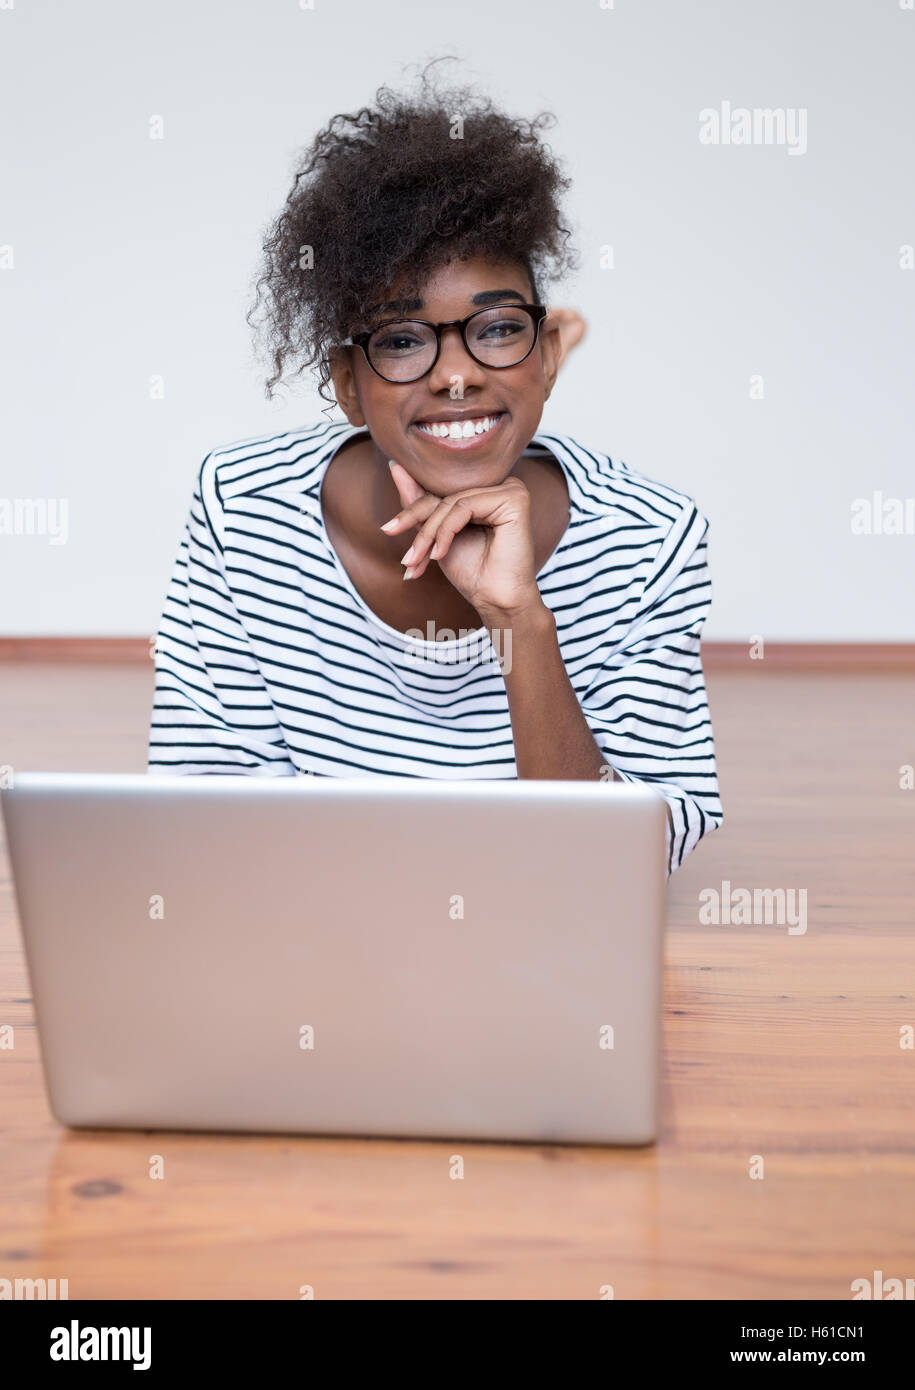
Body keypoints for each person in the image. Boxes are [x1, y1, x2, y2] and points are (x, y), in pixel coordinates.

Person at [148, 65, 723, 875]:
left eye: (494, 328)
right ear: (347, 384)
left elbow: (617, 868)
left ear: (547, 355)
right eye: (403, 339)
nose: (456, 375)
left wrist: (520, 621)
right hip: (311, 950)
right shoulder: (241, 510)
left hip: (543, 962)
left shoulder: (649, 539)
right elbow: (198, 818)